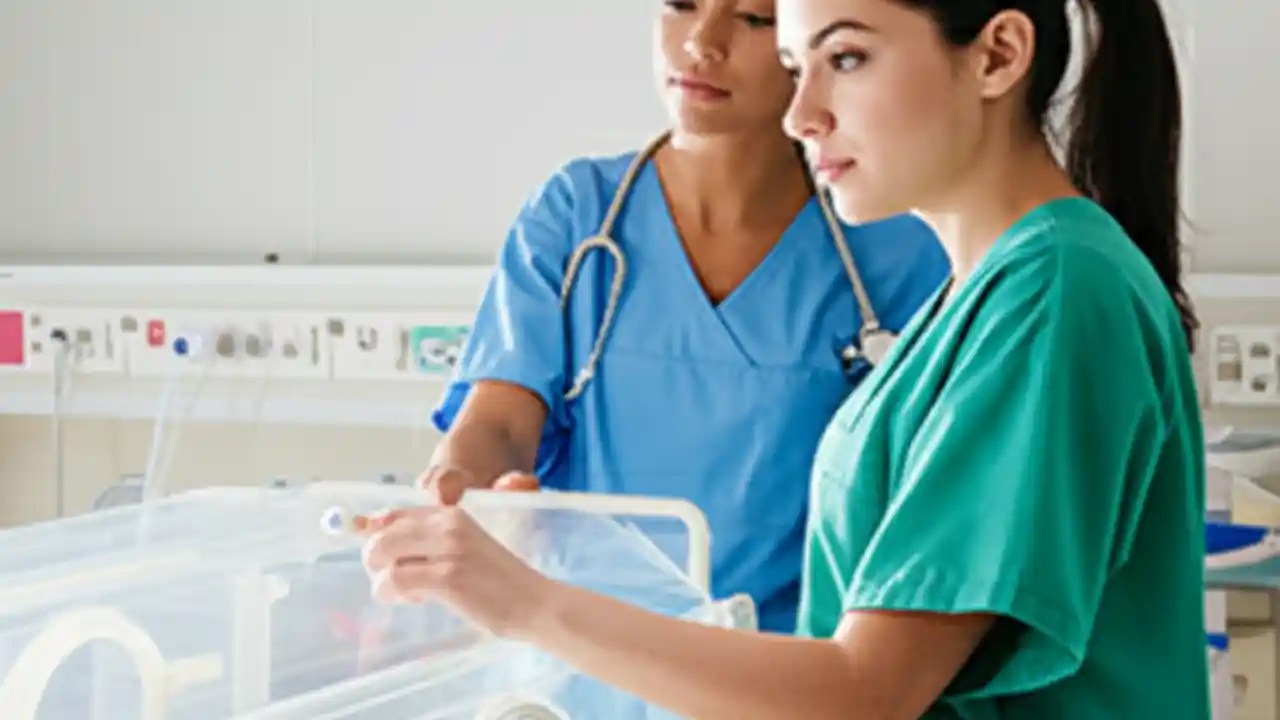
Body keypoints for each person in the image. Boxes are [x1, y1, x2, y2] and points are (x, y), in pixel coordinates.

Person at [365, 0, 1210, 717]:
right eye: (797, 65)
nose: (802, 114)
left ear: (997, 55)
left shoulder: (1054, 290)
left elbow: (868, 690)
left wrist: (528, 604)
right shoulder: (982, 295)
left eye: (846, 58)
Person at [421, 0, 948, 635]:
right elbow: (500, 421)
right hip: (590, 660)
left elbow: (919, 504)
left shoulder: (894, 252)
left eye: (752, 19)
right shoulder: (577, 216)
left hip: (788, 672)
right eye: (680, 5)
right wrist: (460, 482)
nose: (701, 44)